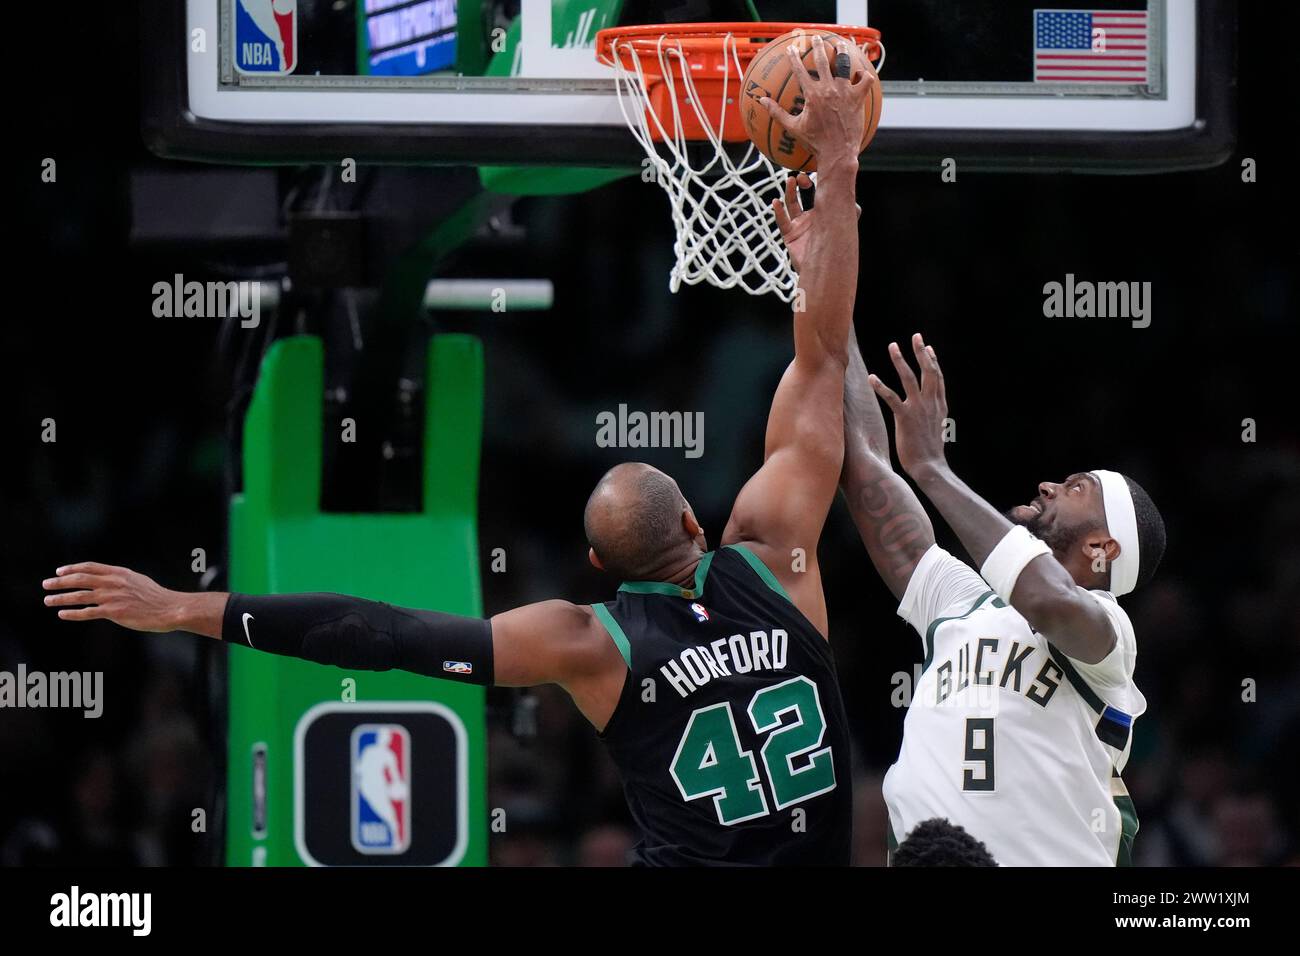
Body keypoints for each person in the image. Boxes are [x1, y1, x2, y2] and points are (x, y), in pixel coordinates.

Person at [43, 36, 876, 867]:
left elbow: (381, 632)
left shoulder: (588, 641)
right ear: (698, 519)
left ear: (596, 561)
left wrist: (183, 606)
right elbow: (822, 359)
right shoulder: (776, 561)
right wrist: (834, 171)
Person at [839, 331, 1165, 865]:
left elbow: (1047, 600)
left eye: (1075, 488)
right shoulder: (959, 602)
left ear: (1102, 548)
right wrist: (835, 315)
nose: (1047, 486)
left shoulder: (1109, 636)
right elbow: (869, 469)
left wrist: (932, 469)